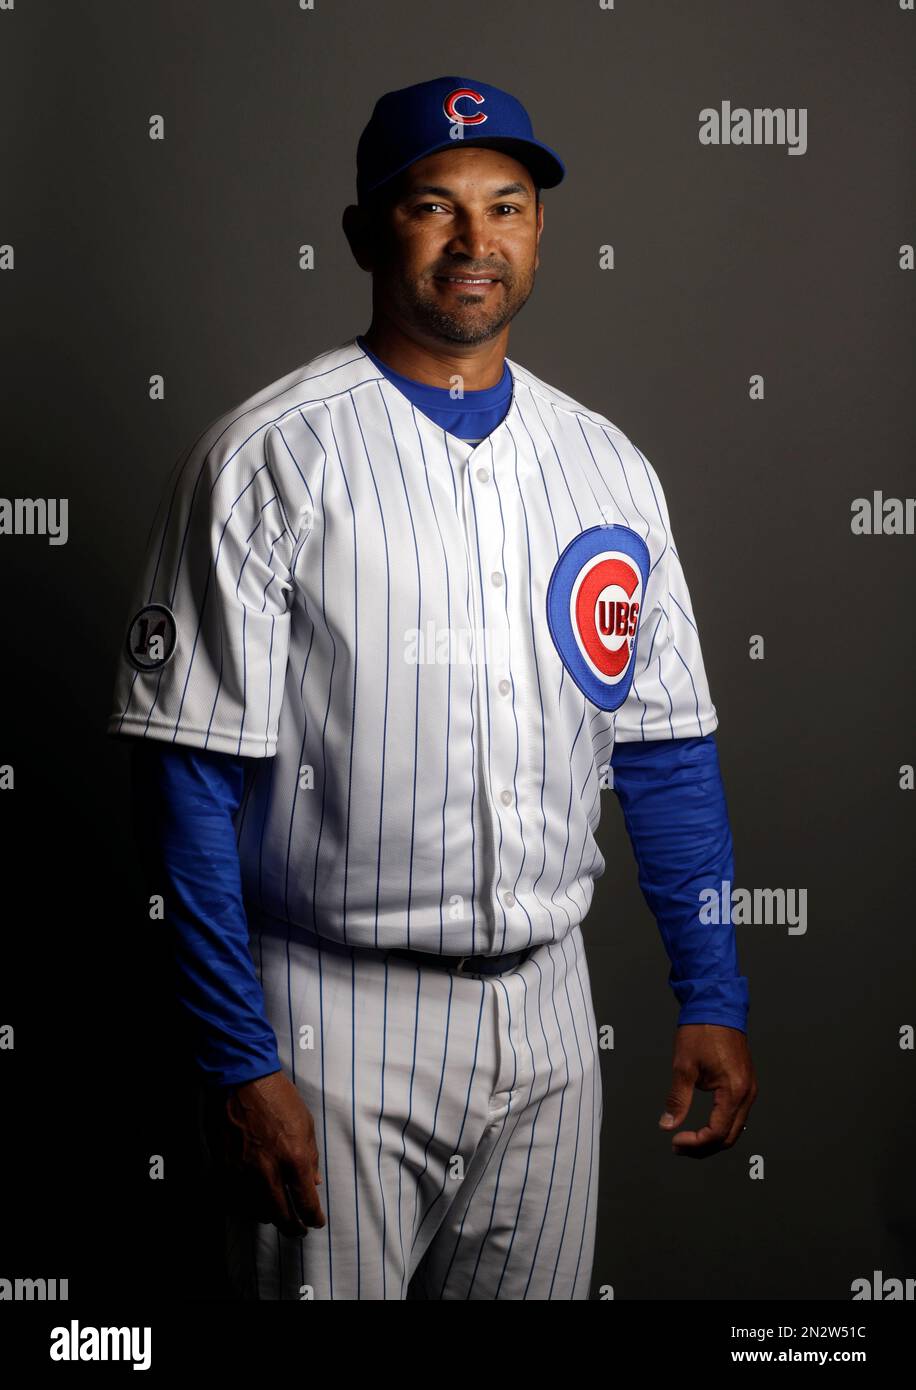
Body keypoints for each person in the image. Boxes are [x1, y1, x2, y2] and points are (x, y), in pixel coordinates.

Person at [109, 74, 757, 1301]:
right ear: (365, 233)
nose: (474, 240)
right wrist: (239, 1058)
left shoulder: (607, 464)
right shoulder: (267, 455)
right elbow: (186, 777)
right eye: (431, 206)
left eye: (504, 206)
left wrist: (711, 990)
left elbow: (665, 752)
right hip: (329, 1015)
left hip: (550, 1014)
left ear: (539, 230)